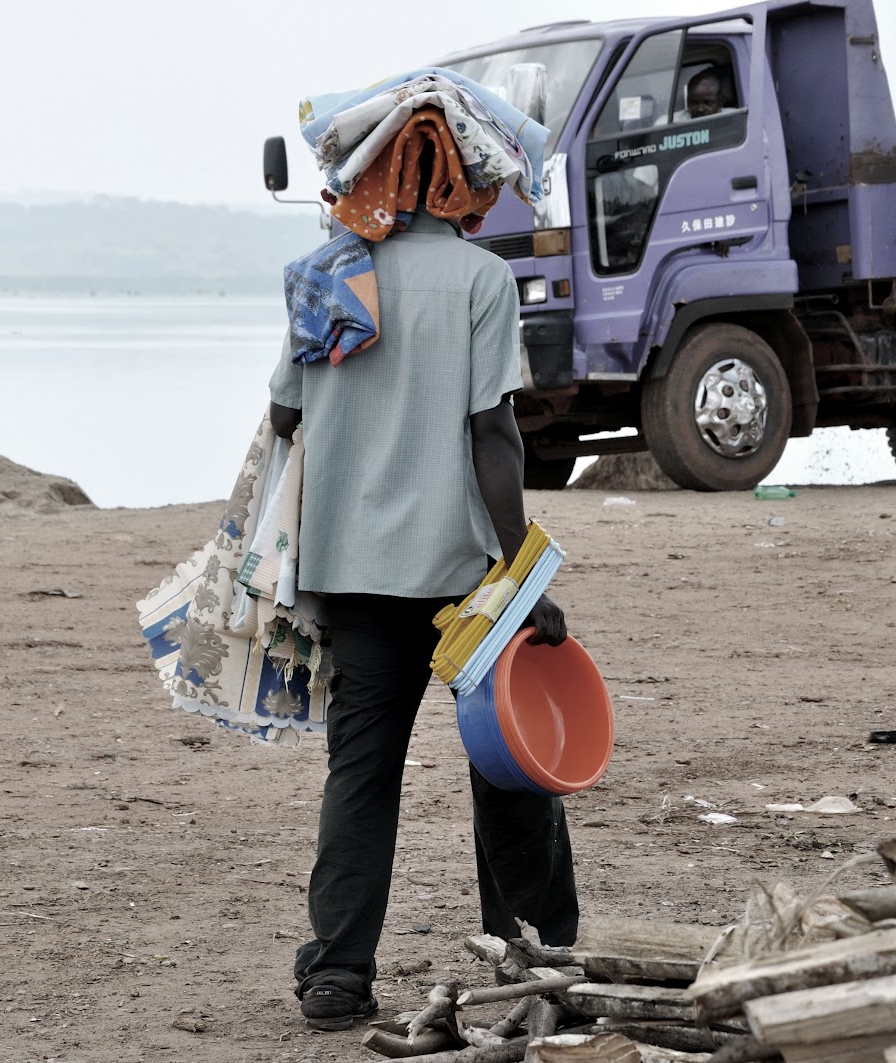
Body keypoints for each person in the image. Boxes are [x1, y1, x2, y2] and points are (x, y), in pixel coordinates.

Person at [269, 142, 579, 1032]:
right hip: (459, 573)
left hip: (352, 569)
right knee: (505, 764)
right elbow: (493, 432)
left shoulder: (325, 273)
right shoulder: (481, 280)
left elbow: (287, 416)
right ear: (458, 182)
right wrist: (518, 570)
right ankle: (536, 952)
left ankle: (335, 975)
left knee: (361, 773)